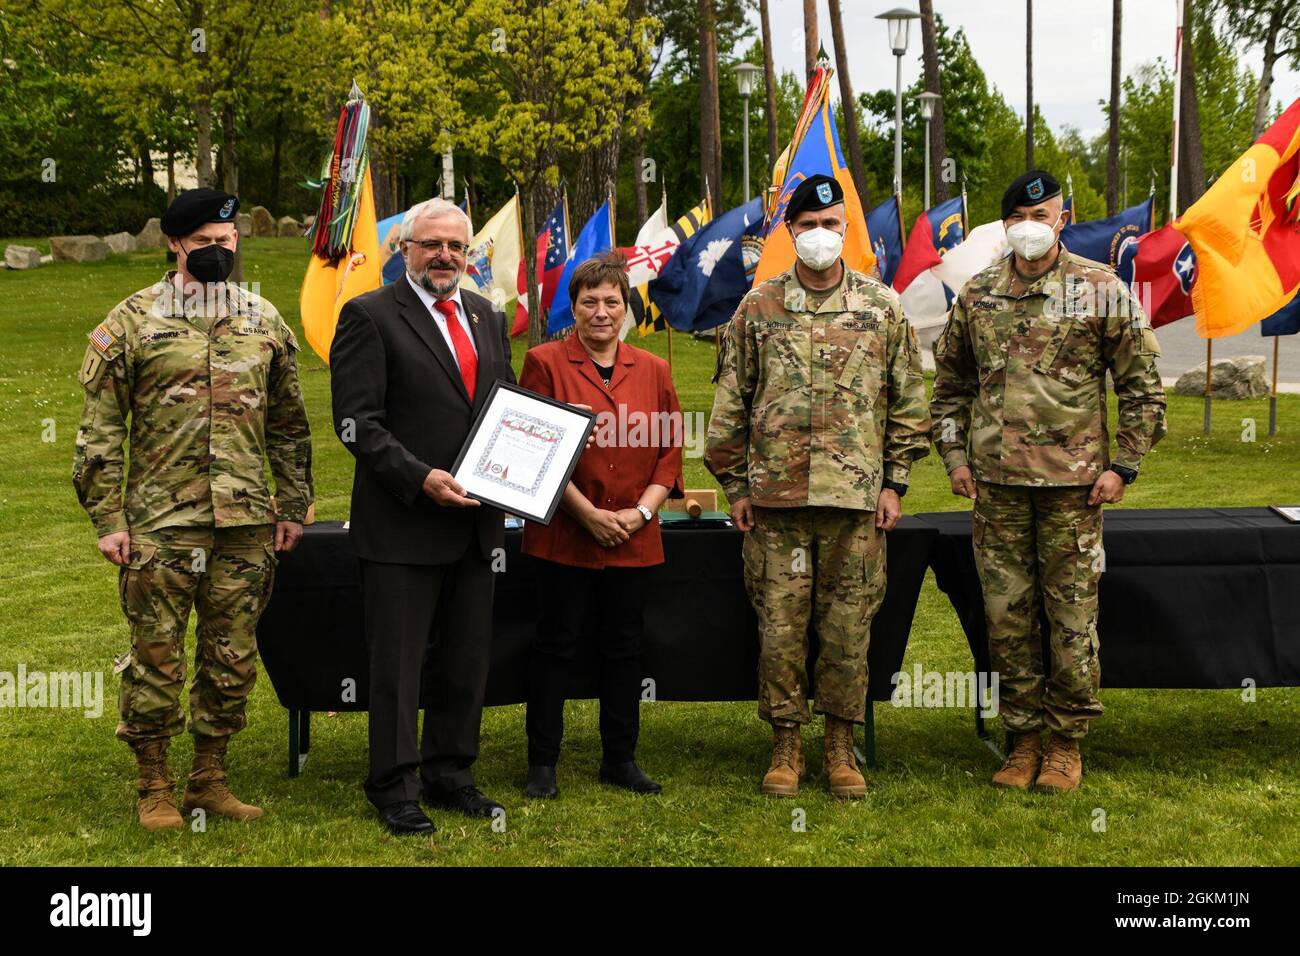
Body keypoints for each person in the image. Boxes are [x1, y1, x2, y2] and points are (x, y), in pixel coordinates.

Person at [72, 187, 313, 831]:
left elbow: (289, 425)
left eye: (226, 242)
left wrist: (292, 504)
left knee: (232, 656)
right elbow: (99, 434)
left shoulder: (263, 320)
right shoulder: (129, 324)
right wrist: (109, 520)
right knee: (157, 656)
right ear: (175, 244)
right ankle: (154, 781)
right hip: (160, 525)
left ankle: (209, 776)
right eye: (203, 242)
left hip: (246, 523)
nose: (217, 252)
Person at [930, 169, 1167, 793]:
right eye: (1021, 218)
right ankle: (1023, 737)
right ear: (1005, 225)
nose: (1033, 227)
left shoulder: (1100, 289)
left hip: (1074, 491)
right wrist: (955, 460)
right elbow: (948, 389)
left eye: (1046, 215)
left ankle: (1065, 743)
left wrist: (1125, 466)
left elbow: (1142, 388)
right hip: (996, 490)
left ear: (1062, 218)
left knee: (1070, 617)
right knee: (1008, 617)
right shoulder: (978, 295)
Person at [705, 174, 931, 800]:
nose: (820, 237)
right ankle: (784, 743)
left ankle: (838, 743)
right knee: (779, 626)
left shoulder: (881, 307)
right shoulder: (758, 307)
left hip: (855, 501)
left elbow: (910, 403)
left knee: (848, 626)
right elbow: (730, 400)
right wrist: (733, 483)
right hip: (774, 500)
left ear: (846, 232)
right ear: (790, 232)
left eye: (831, 226)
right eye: (808, 227)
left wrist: (897, 483)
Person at [329, 198, 517, 836]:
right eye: (431, 244)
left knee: (466, 661)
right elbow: (357, 423)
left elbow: (504, 408)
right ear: (403, 249)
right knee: (398, 668)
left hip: (476, 524)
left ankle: (451, 773)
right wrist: (421, 478)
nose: (444, 256)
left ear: (470, 255)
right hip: (403, 524)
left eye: (456, 247)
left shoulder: (488, 317)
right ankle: (393, 787)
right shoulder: (369, 316)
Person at [517, 253, 684, 800]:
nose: (601, 311)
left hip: (634, 537)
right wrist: (587, 514)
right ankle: (543, 762)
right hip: (566, 532)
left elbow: (669, 454)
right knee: (554, 647)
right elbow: (533, 447)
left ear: (626, 307)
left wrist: (639, 514)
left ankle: (621, 758)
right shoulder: (545, 361)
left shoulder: (653, 369)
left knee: (623, 649)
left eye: (612, 300)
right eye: (589, 301)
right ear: (574, 306)